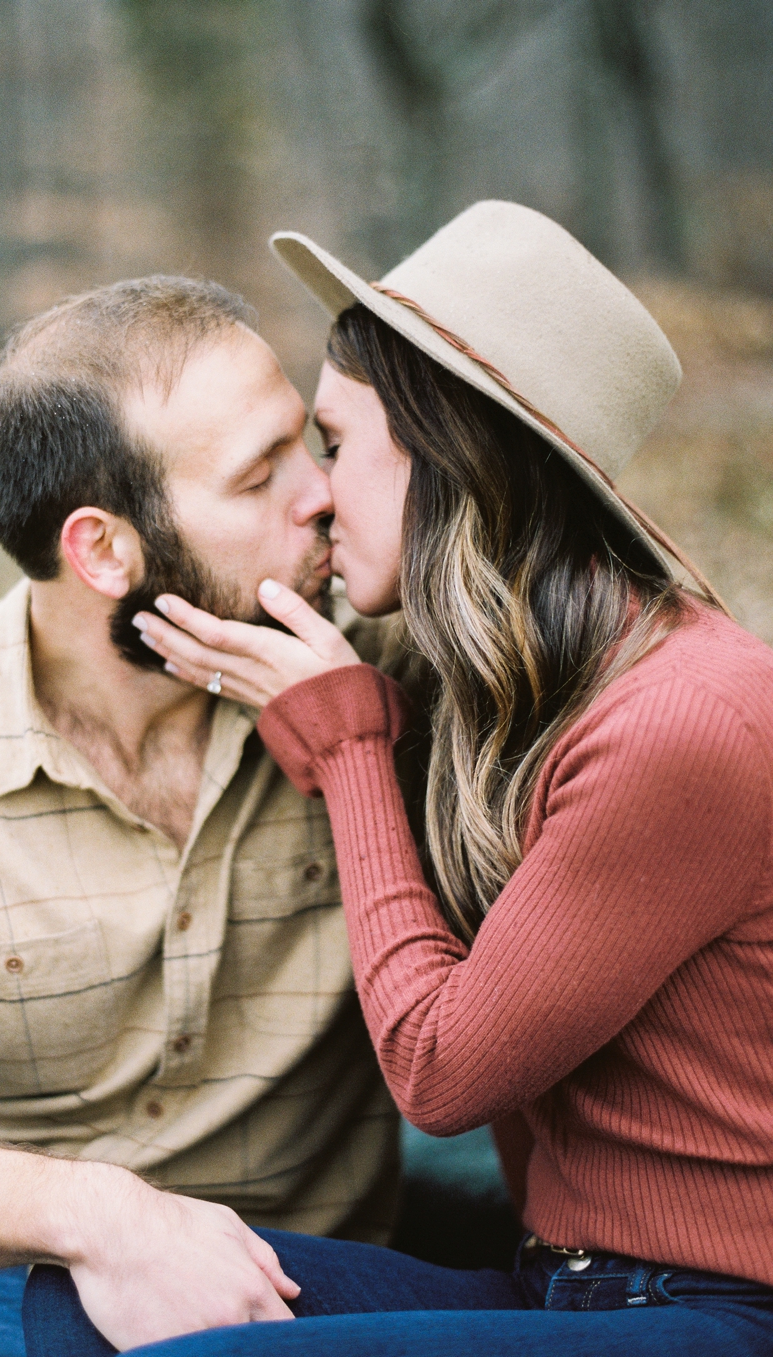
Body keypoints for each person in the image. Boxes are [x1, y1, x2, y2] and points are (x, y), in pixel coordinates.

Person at [39, 201, 773, 1355]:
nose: (320, 492)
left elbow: (439, 1070)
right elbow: (373, 763)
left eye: (334, 442)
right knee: (68, 1303)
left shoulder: (683, 720)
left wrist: (343, 742)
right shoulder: (526, 680)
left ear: (445, 443)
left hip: (712, 1308)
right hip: (561, 1284)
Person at [0, 277, 418, 1355]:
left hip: (284, 1287)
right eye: (259, 477)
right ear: (103, 550)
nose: (323, 496)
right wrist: (107, 1217)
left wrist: (357, 735)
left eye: (311, 444)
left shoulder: (383, 670)